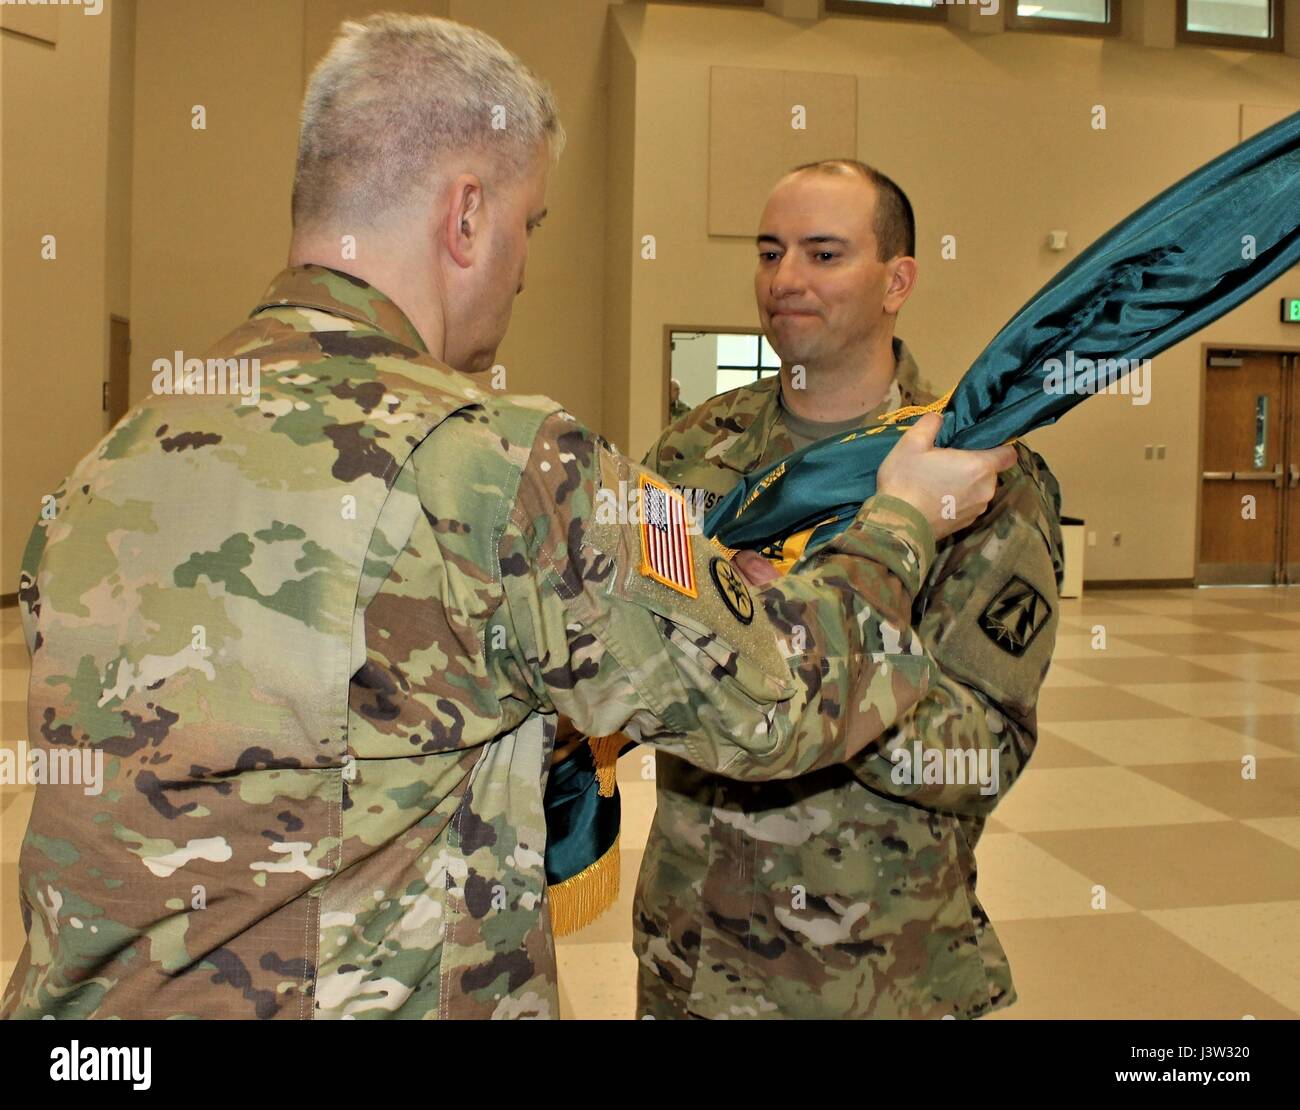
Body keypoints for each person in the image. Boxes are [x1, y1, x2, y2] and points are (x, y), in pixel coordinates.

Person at [1, 18, 1014, 1020]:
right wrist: (902, 517)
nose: (525, 266)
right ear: (468, 216)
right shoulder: (500, 464)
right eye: (530, 224)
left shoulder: (121, 452)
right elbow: (782, 700)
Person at [633, 160, 1065, 1019]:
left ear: (897, 279)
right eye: (769, 252)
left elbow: (984, 756)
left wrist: (794, 650)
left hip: (873, 975)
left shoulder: (980, 476)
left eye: (823, 254)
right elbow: (637, 660)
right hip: (689, 957)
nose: (784, 280)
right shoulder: (693, 451)